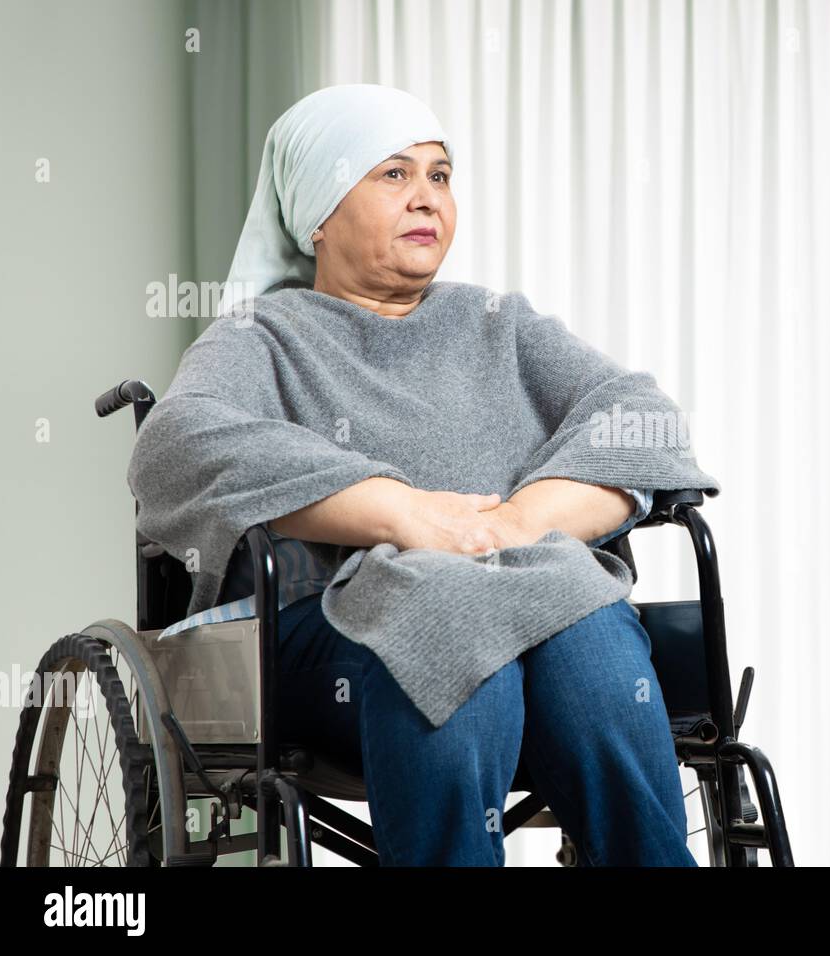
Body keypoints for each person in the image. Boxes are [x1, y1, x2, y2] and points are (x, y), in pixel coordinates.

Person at [210, 84, 703, 866]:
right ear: (318, 215)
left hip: (529, 593)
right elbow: (184, 441)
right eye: (394, 175)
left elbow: (639, 414)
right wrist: (401, 516)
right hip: (339, 628)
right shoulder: (263, 338)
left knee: (593, 633)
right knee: (449, 624)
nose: (426, 198)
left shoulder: (498, 324)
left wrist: (511, 525)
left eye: (440, 176)